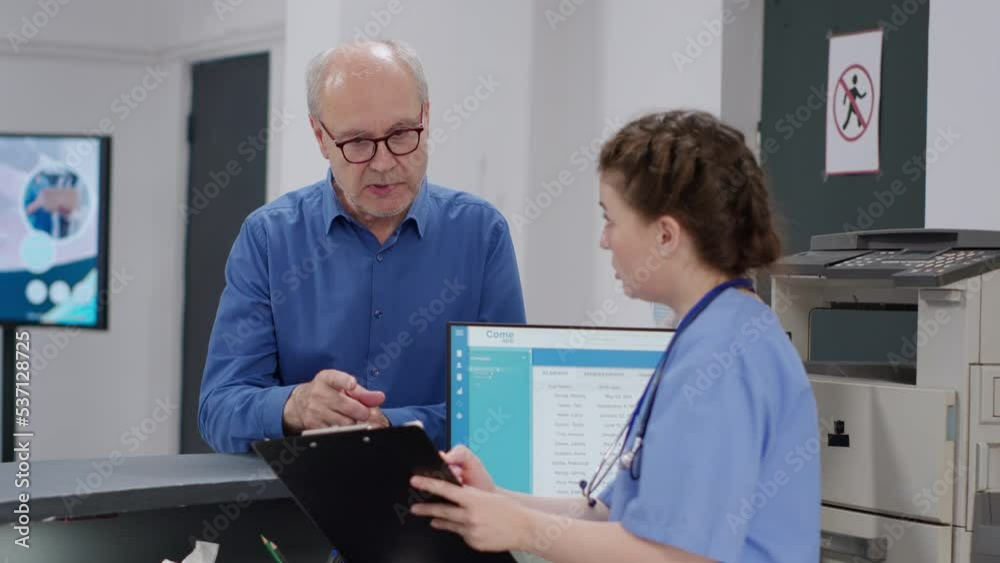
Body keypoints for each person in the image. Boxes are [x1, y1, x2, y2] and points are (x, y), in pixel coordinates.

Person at [410, 111, 820, 562]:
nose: (605, 241)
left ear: (665, 235)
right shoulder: (711, 331)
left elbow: (679, 556)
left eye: (611, 220)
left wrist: (522, 528)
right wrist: (498, 499)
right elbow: (614, 517)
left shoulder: (722, 354)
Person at [198, 39, 526, 453]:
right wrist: (294, 406)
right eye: (357, 143)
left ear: (426, 116)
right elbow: (218, 410)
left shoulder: (481, 234)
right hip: (297, 512)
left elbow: (507, 409)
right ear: (319, 136)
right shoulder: (268, 239)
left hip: (445, 511)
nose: (384, 163)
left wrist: (395, 425)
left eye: (402, 134)